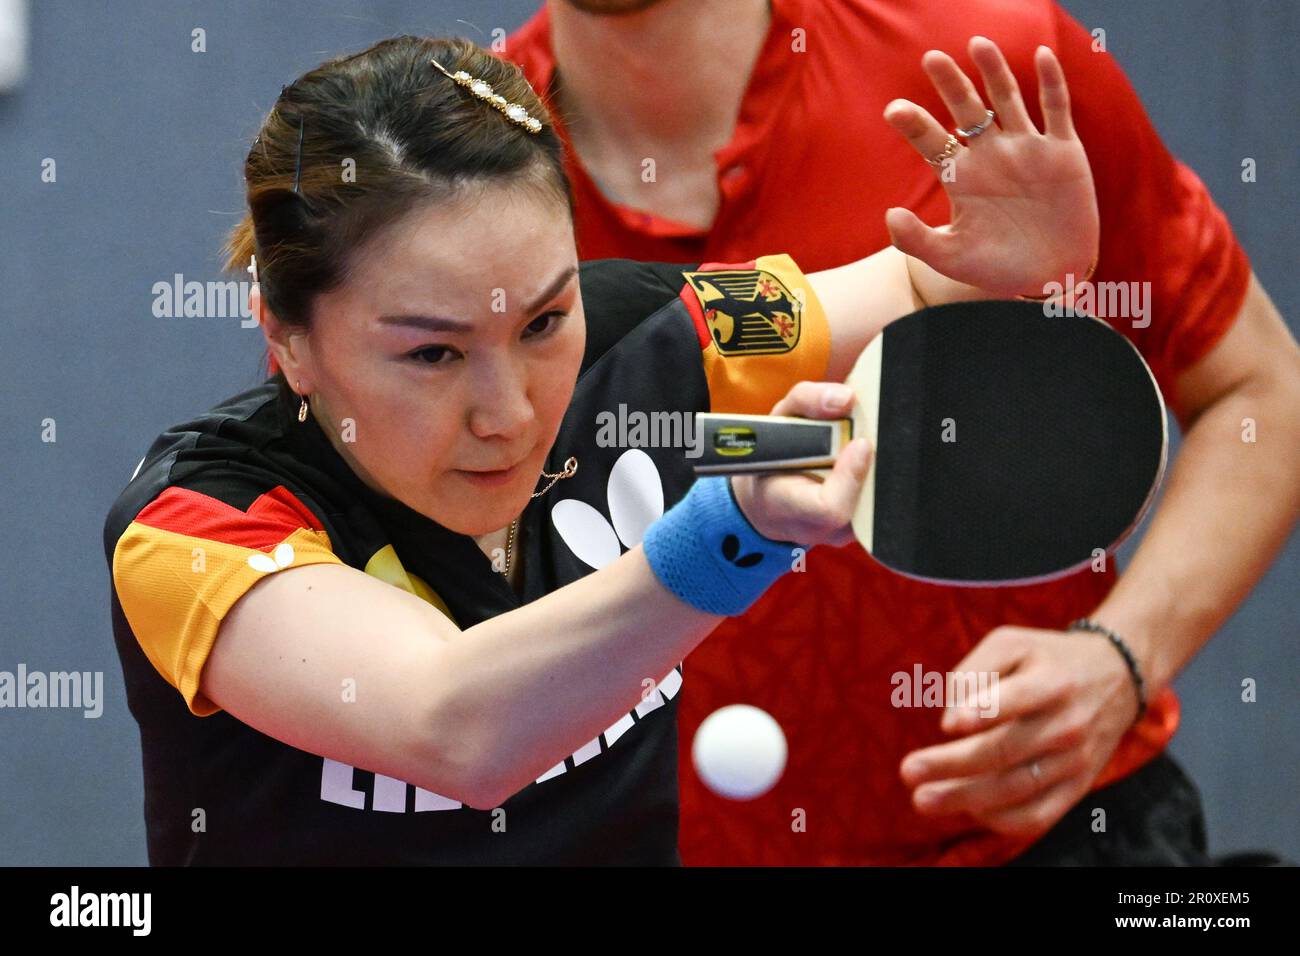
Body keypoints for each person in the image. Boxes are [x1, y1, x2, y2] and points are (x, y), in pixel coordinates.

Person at [103, 32, 1100, 864]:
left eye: (543, 322)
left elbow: (919, 288)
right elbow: (457, 726)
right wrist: (729, 530)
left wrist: (1009, 257)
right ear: (286, 336)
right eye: (432, 351)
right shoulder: (197, 525)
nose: (508, 412)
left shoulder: (662, 331)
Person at [506, 0, 1300, 865]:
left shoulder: (995, 74)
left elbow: (1262, 394)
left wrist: (1122, 654)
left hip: (1042, 843)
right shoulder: (456, 172)